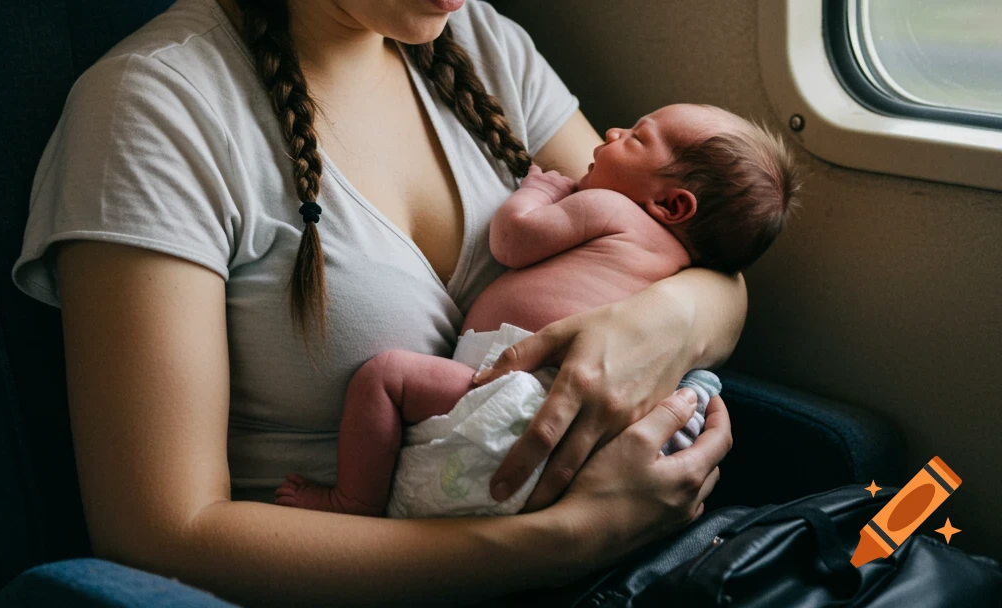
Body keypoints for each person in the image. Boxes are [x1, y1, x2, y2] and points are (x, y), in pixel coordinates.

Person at [10, 0, 746, 608]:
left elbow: (686, 256)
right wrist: (565, 538)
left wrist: (669, 319)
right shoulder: (157, 112)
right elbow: (158, 530)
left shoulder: (482, 50)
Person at [274, 104, 799, 520]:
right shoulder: (677, 265)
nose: (613, 132)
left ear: (671, 205)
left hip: (521, 390)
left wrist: (539, 191)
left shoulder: (611, 209)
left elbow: (512, 240)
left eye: (637, 137)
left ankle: (353, 503)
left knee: (385, 379)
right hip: (583, 430)